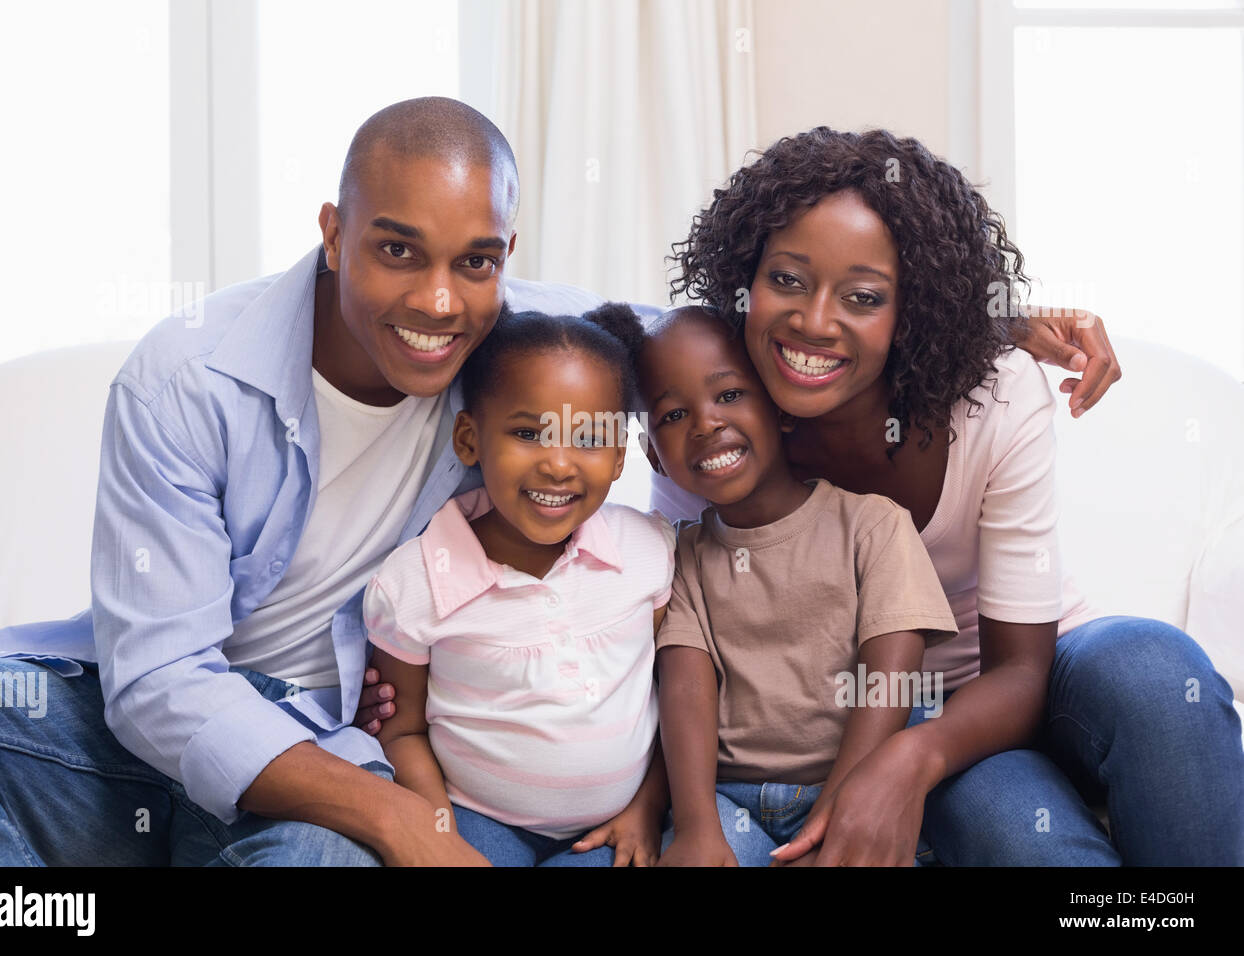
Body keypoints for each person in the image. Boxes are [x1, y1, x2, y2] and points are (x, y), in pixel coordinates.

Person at [0, 97, 601, 866]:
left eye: (476, 262)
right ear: (333, 234)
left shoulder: (534, 358)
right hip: (137, 737)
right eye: (398, 252)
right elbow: (160, 682)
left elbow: (712, 360)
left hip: (330, 748)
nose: (439, 301)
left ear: (505, 256)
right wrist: (398, 819)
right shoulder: (184, 382)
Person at [651, 126, 1244, 865]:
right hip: (843, 718)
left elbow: (1020, 671)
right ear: (745, 278)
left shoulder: (995, 397)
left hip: (1000, 681)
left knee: (1156, 671)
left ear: (915, 310)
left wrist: (908, 760)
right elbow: (586, 347)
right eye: (787, 280)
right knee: (1027, 840)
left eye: (863, 296)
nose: (813, 320)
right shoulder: (714, 413)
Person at [635, 305, 958, 866]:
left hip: (856, 780)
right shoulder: (677, 555)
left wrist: (838, 813)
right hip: (729, 797)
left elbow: (891, 672)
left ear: (782, 411)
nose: (706, 423)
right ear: (652, 458)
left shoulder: (871, 524)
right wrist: (694, 826)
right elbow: (685, 688)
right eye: (672, 415)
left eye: (730, 395)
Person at [366, 304, 675, 867]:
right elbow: (401, 731)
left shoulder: (648, 551)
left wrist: (650, 805)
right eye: (529, 432)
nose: (558, 465)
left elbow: (673, 695)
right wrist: (438, 839)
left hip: (615, 830)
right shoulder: (413, 582)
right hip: (475, 823)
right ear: (469, 439)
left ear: (618, 458)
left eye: (587, 438)